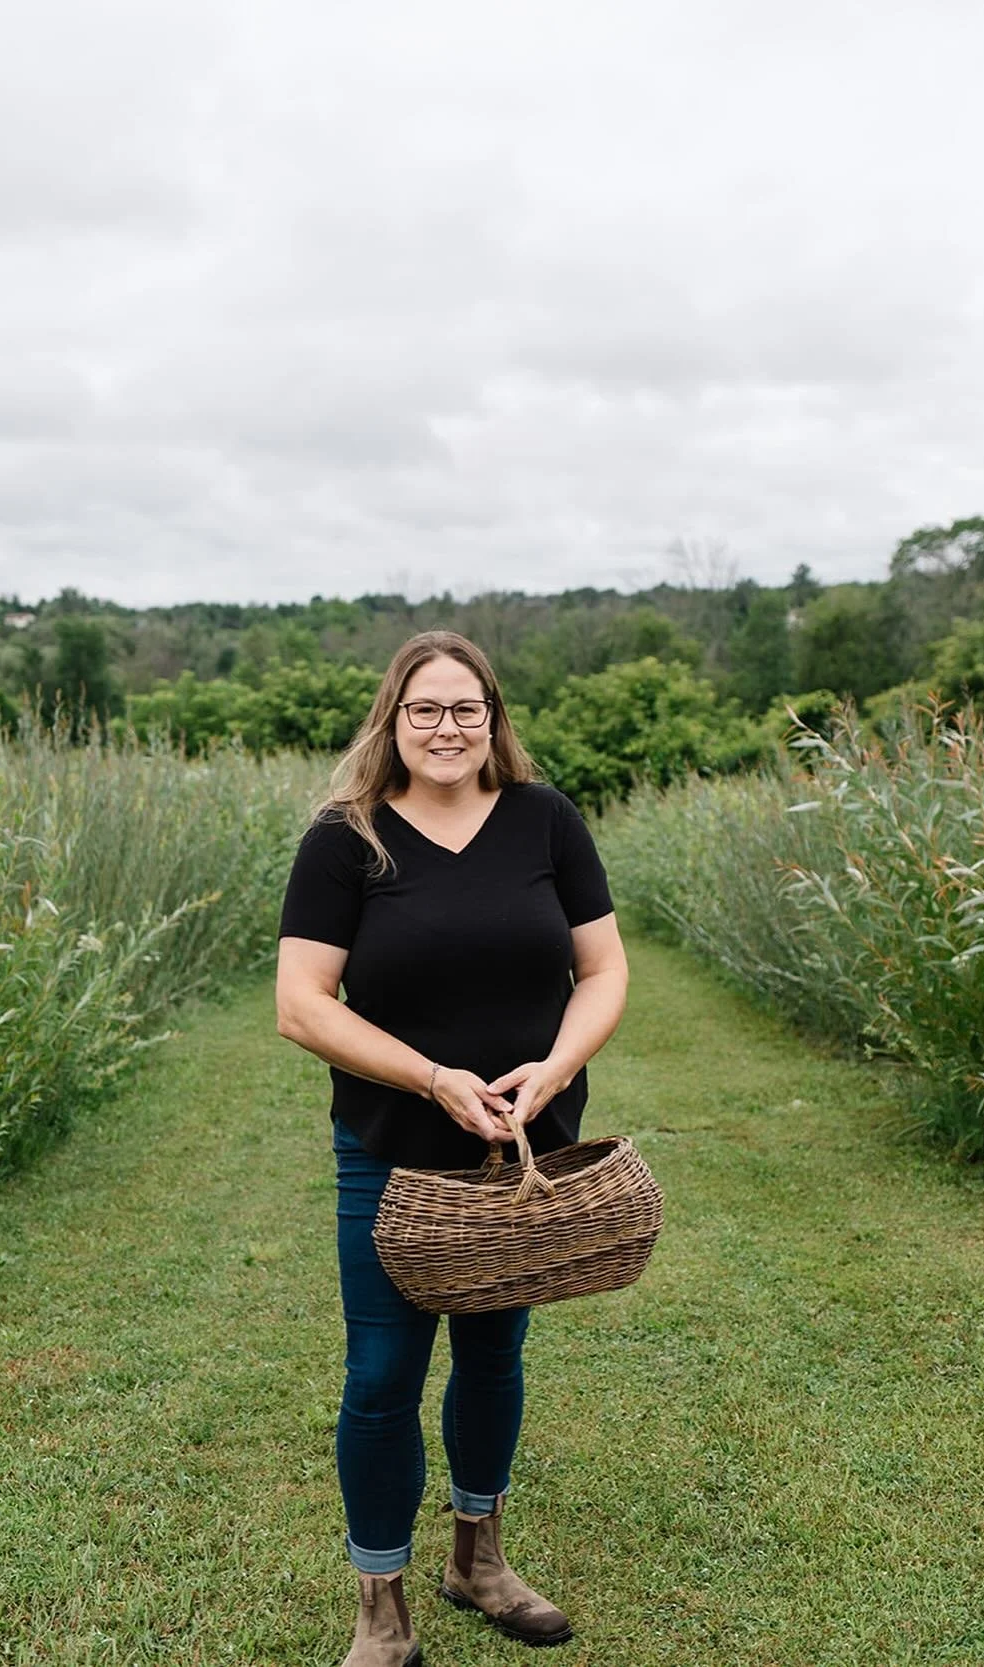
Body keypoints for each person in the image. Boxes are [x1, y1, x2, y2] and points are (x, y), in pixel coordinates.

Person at [276, 630, 629, 1666]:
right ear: (391, 720)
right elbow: (301, 1005)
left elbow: (602, 970)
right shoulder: (346, 839)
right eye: (423, 709)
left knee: (492, 1354)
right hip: (390, 1149)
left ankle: (477, 1557)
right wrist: (430, 1076)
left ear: (493, 719)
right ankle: (378, 1608)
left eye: (464, 708)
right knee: (381, 1375)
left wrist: (553, 1069)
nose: (444, 727)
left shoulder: (544, 820)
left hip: (518, 1155)